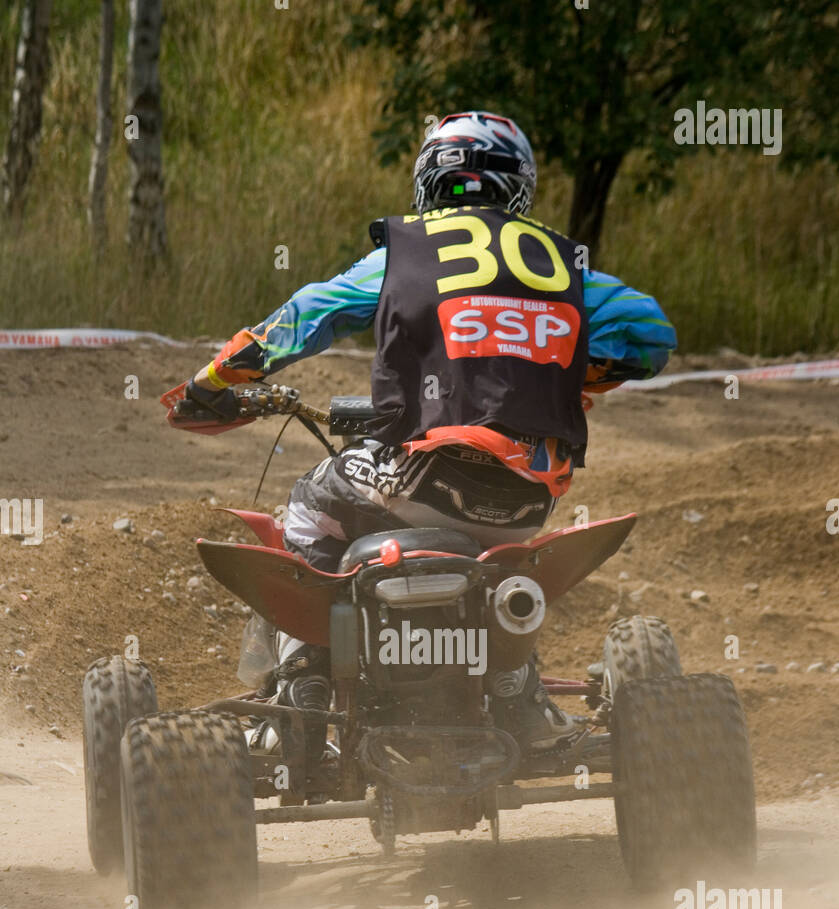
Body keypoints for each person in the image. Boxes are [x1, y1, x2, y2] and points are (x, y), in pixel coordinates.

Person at [168, 111, 676, 759]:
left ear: (428, 181)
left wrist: (210, 383)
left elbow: (306, 316)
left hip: (424, 480)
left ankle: (303, 682)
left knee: (307, 504)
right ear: (519, 185)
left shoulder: (405, 253)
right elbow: (652, 334)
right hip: (525, 502)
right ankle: (516, 688)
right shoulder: (561, 263)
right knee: (502, 560)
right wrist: (579, 375)